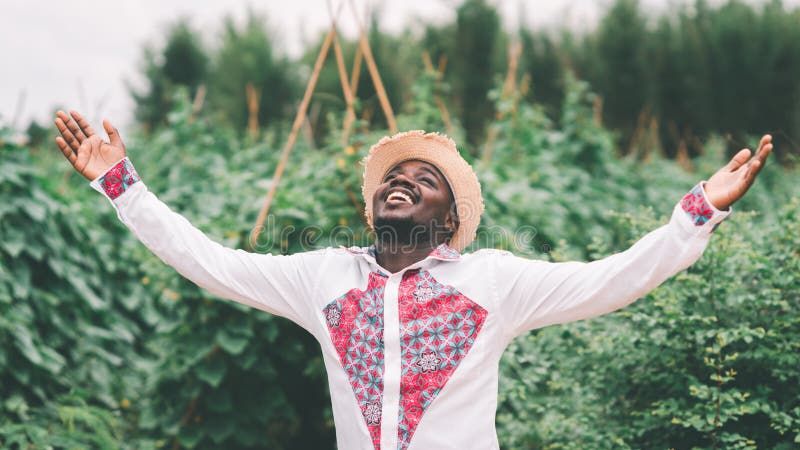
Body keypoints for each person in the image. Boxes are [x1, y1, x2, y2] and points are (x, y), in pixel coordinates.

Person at [55, 110, 772, 450]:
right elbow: (210, 261)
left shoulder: (496, 282)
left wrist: (698, 211)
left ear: (449, 216)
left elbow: (616, 277)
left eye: (422, 181)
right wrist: (122, 185)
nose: (401, 183)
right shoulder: (324, 279)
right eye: (393, 177)